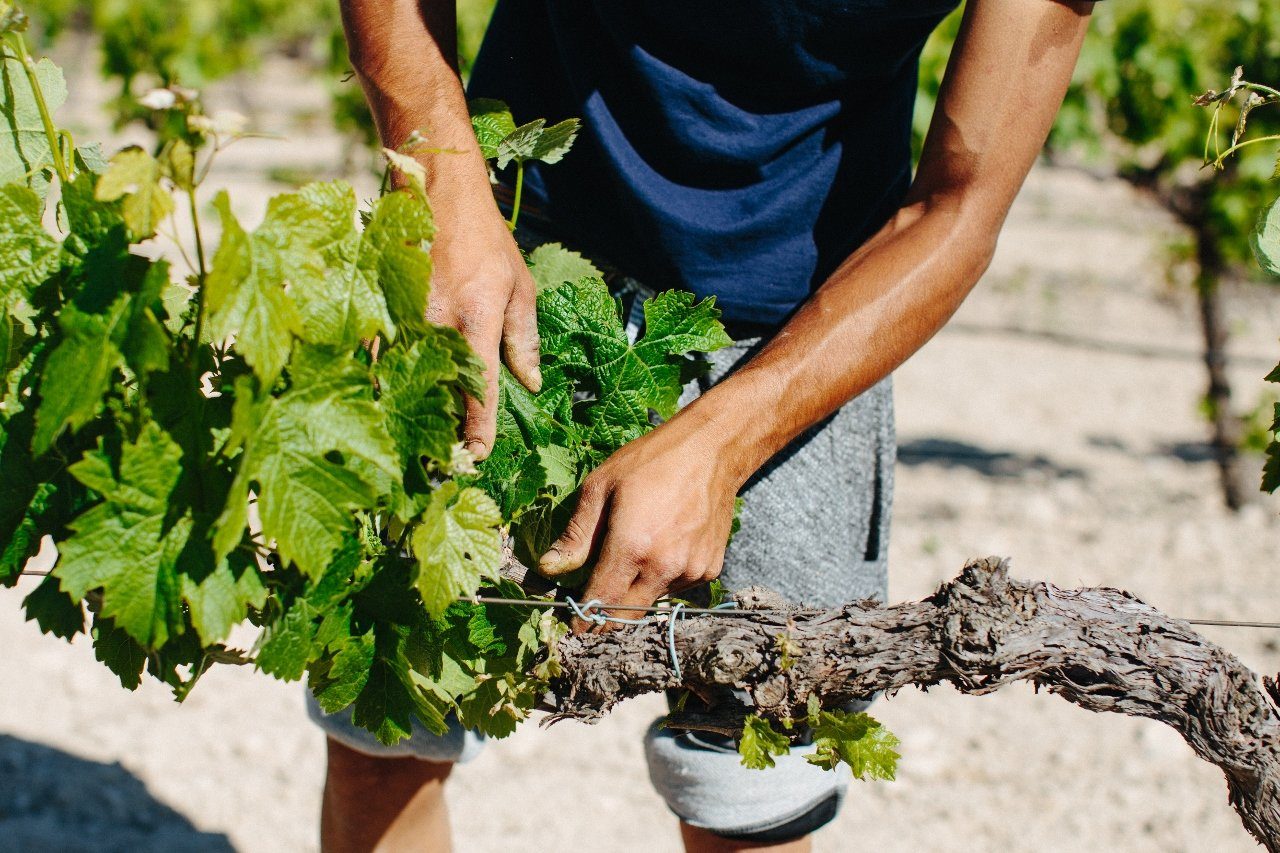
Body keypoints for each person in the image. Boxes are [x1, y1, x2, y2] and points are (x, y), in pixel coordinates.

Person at [319, 0, 1098, 850]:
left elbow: (960, 207)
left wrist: (723, 445)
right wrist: (437, 168)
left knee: (748, 796)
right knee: (384, 731)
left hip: (807, 324)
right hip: (512, 242)